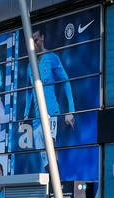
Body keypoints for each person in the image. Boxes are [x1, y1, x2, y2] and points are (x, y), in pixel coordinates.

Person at [23, 28, 75, 169]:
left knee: (51, 148)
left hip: (51, 114)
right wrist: (26, 112)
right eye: (31, 42)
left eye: (36, 40)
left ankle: (59, 186)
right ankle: (52, 189)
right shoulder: (30, 66)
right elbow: (28, 90)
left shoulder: (52, 58)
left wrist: (71, 111)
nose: (34, 44)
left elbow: (65, 81)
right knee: (45, 161)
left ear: (43, 38)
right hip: (36, 121)